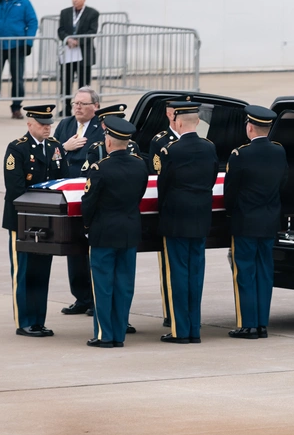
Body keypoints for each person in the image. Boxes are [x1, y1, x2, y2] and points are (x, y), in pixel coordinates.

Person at [82, 115, 149, 348]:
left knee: (103, 286)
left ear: (108, 142)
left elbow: (89, 203)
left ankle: (104, 335)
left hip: (104, 233)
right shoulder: (141, 165)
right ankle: (119, 334)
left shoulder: (100, 168)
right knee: (124, 285)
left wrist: (87, 227)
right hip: (130, 231)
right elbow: (139, 194)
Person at [157, 101, 219, 344]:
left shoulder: (171, 150)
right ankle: (194, 329)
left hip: (176, 218)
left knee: (178, 275)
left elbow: (164, 185)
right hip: (201, 216)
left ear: (179, 122)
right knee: (196, 273)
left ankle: (179, 330)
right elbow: (212, 178)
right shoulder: (209, 148)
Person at [224, 106, 288, 339]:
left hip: (245, 223)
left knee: (245, 273)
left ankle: (247, 325)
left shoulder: (240, 155)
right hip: (269, 221)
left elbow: (230, 192)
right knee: (264, 273)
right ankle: (261, 324)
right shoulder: (279, 152)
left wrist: (231, 214)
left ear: (250, 127)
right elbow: (284, 182)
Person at [3, 105, 63, 337]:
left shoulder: (55, 147)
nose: (47, 128)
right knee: (24, 271)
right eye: (42, 124)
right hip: (23, 219)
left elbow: (62, 180)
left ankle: (39, 320)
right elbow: (15, 188)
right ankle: (25, 321)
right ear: (30, 125)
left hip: (48, 221)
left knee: (41, 270)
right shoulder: (17, 148)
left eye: (49, 124)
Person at [52, 86, 103, 316]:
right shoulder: (66, 125)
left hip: (90, 194)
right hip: (68, 196)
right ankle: (81, 297)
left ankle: (95, 299)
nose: (78, 107)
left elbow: (97, 157)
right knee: (74, 249)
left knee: (93, 249)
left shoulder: (101, 127)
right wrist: (65, 147)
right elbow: (52, 153)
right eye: (75, 103)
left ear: (96, 106)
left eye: (83, 103)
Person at [149, 100, 180, 329]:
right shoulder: (160, 141)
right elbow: (156, 176)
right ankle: (171, 312)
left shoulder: (199, 142)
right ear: (170, 114)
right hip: (168, 211)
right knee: (168, 266)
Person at [57, 0, 99, 110]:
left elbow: (92, 31)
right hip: (69, 53)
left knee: (84, 83)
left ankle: (84, 107)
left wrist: (78, 41)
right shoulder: (65, 13)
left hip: (84, 53)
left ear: (83, 0)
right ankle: (65, 107)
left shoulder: (92, 13)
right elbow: (61, 30)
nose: (74, 0)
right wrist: (68, 39)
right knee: (66, 81)